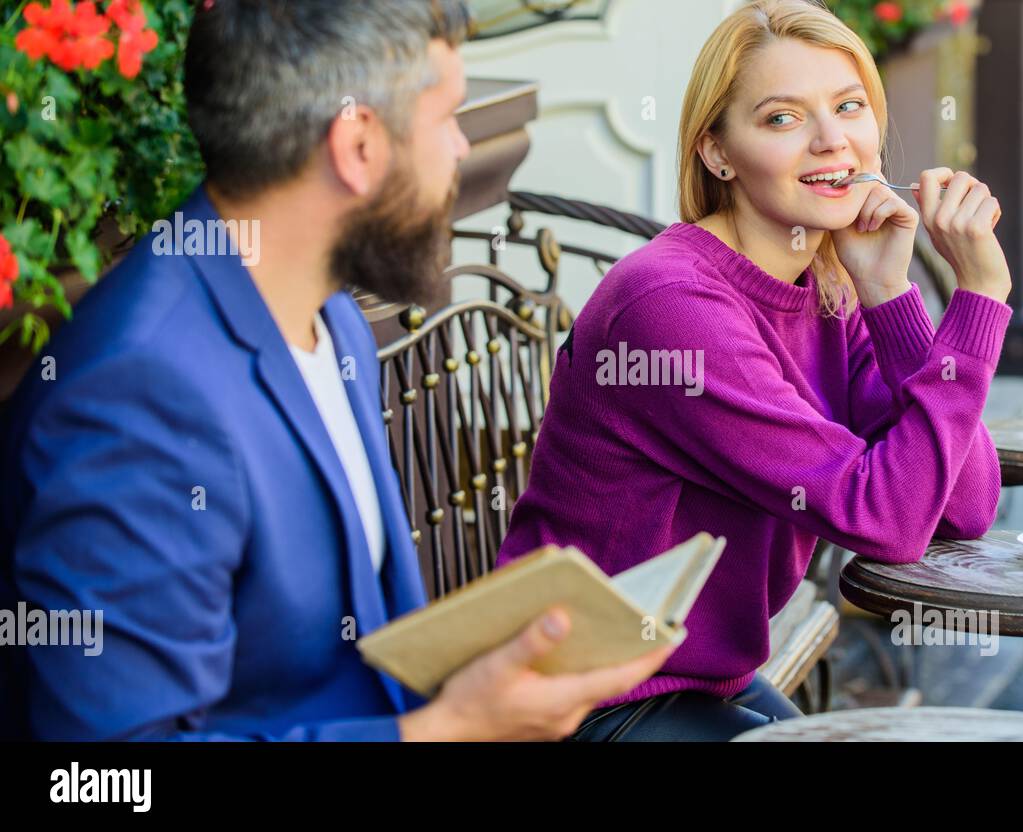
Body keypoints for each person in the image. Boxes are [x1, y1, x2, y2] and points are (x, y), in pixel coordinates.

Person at [0, 0, 671, 742]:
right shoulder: (136, 397)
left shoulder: (333, 319)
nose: (458, 149)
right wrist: (451, 730)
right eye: (446, 116)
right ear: (356, 146)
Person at [496, 0, 1014, 741]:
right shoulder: (673, 307)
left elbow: (961, 508)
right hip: (577, 697)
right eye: (783, 118)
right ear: (717, 153)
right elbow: (887, 521)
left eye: (849, 106)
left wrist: (891, 298)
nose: (833, 141)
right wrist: (980, 299)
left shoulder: (829, 285)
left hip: (695, 675)